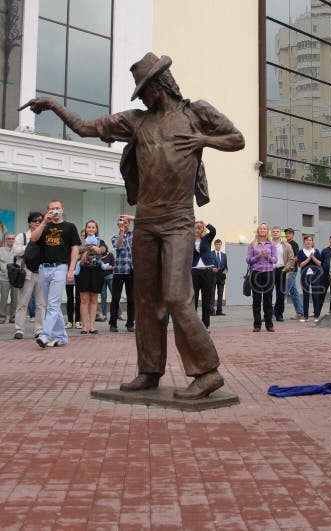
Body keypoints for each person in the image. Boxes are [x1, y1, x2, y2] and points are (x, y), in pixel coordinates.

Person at [22, 52, 245, 398]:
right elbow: (85, 127)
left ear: (160, 84)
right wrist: (53, 105)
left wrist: (204, 141)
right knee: (146, 299)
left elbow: (237, 138)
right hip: (147, 221)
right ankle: (150, 370)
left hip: (178, 221)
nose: (141, 98)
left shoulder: (196, 113)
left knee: (176, 296)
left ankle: (207, 371)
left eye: (144, 90)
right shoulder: (136, 122)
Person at [29, 199, 80, 348]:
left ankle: (44, 335)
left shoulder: (70, 227)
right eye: (52, 208)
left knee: (52, 304)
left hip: (60, 267)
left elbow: (75, 249)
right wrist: (44, 222)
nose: (55, 211)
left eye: (57, 208)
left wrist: (71, 270)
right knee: (52, 305)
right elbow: (33, 239)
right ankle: (61, 337)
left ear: (62, 209)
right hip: (44, 267)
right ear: (48, 211)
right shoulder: (44, 225)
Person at [11, 212, 45, 340]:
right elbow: (15, 251)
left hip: (42, 272)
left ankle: (39, 329)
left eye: (40, 221)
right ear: (29, 223)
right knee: (22, 303)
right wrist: (32, 246)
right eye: (35, 221)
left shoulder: (45, 236)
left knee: (41, 304)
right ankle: (19, 329)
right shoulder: (23, 236)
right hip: (27, 273)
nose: (37, 223)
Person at [76, 220, 108, 334]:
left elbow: (104, 249)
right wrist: (90, 248)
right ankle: (84, 326)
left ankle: (92, 326)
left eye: (93, 227)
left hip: (96, 272)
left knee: (94, 299)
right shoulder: (80, 241)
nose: (91, 229)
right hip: (83, 271)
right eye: (89, 227)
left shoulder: (100, 241)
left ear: (96, 229)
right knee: (84, 299)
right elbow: (77, 249)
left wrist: (99, 249)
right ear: (85, 229)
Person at [246, 222, 277, 332]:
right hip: (256, 273)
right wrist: (259, 256)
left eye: (264, 228)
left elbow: (275, 260)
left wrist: (267, 256)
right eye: (261, 228)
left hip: (268, 273)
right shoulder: (252, 244)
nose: (262, 230)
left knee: (268, 299)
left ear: (267, 231)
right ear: (258, 231)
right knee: (256, 299)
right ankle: (257, 325)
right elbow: (248, 260)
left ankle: (269, 325)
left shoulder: (271, 244)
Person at [109, 215, 135, 333]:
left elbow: (141, 220)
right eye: (121, 222)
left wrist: (129, 217)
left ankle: (130, 323)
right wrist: (122, 232)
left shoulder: (134, 235)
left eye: (126, 222)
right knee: (115, 298)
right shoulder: (115, 237)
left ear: (129, 224)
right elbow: (118, 246)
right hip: (119, 271)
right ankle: (113, 323)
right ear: (118, 224)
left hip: (131, 271)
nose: (124, 224)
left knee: (132, 299)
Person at [192, 221, 217, 330]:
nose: (197, 230)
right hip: (194, 271)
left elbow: (213, 230)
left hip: (207, 271)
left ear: (203, 229)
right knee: (193, 299)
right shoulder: (189, 240)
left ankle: (205, 325)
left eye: (199, 228)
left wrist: (204, 223)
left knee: (206, 298)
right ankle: (193, 325)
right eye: (196, 228)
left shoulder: (207, 238)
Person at [271, 226, 295, 322]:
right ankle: (268, 314)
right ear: (271, 233)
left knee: (280, 293)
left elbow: (291, 259)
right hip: (269, 270)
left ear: (280, 233)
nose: (275, 233)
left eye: (277, 231)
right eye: (273, 231)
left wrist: (285, 269)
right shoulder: (267, 244)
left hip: (281, 270)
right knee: (268, 293)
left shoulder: (286, 245)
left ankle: (279, 314)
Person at [297, 234, 323, 322]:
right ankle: (305, 316)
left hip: (316, 276)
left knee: (316, 295)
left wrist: (313, 257)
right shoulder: (301, 252)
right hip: (305, 276)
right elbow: (300, 265)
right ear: (304, 241)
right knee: (306, 295)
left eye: (310, 240)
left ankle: (317, 315)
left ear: (312, 242)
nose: (308, 242)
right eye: (307, 240)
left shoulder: (316, 251)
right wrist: (308, 259)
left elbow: (319, 263)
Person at [283, 228, 304, 319]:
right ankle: (300, 313)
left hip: (291, 271)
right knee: (294, 292)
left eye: (289, 233)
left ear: (293, 235)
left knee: (283, 291)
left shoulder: (294, 244)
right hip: (287, 271)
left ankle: (274, 313)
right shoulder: (284, 244)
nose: (287, 234)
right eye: (286, 233)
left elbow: (295, 258)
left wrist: (287, 264)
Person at [0, 232, 17, 324]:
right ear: (6, 240)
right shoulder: (1, 250)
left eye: (12, 238)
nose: (11, 240)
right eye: (9, 239)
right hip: (4, 278)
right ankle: (2, 317)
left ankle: (13, 317)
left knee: (15, 298)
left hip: (16, 278)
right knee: (4, 298)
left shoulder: (18, 250)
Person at [319, 234, 331, 310]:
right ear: (329, 240)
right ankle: (317, 312)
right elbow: (320, 262)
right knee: (321, 293)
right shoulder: (324, 251)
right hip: (324, 275)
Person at [212, 239, 228, 315]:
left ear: (221, 245)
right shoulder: (211, 254)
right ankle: (211, 310)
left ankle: (219, 311)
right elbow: (208, 265)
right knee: (212, 294)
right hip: (213, 276)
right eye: (217, 244)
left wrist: (226, 270)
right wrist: (212, 268)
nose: (218, 246)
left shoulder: (224, 255)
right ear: (214, 245)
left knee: (220, 294)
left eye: (219, 244)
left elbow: (226, 266)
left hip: (221, 277)